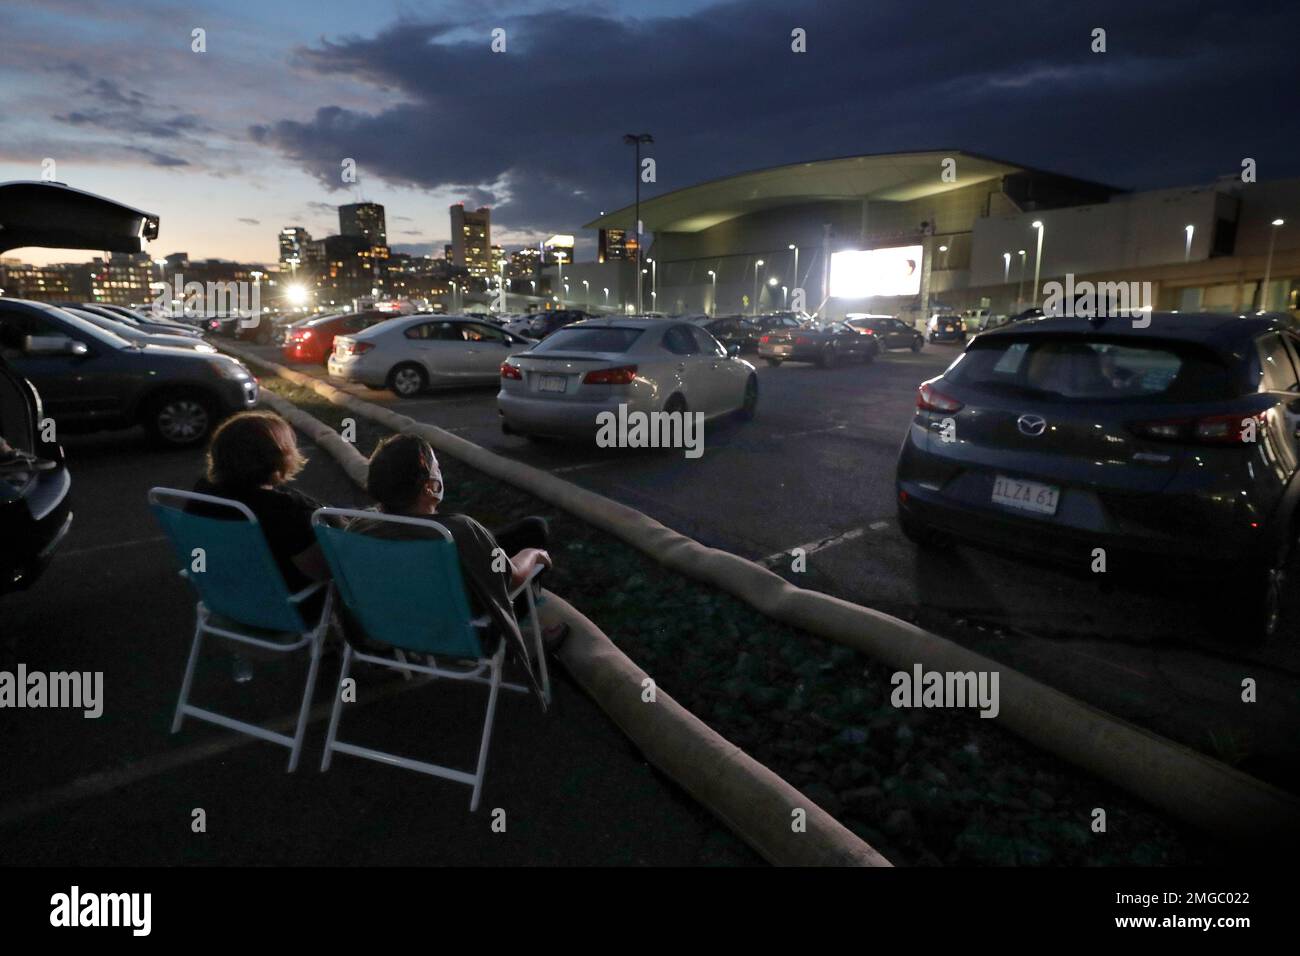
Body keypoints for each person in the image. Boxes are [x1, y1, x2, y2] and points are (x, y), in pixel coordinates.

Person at [347, 434, 565, 703]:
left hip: (394, 623)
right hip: (464, 632)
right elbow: (509, 580)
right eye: (437, 467)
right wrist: (533, 555)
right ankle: (514, 643)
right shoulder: (459, 531)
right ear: (429, 486)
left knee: (523, 530)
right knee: (534, 532)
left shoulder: (359, 528)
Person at [190, 410, 330, 592]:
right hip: (283, 609)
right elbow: (322, 572)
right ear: (278, 457)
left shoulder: (204, 493)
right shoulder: (285, 511)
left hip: (227, 597)